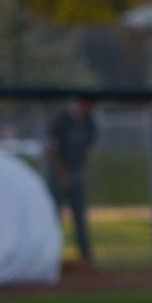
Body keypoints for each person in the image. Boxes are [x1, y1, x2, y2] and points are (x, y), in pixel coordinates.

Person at [45, 96, 98, 264]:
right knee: (55, 217)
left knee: (80, 217)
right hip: (58, 176)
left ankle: (86, 257)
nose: (90, 110)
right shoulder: (61, 121)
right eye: (87, 105)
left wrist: (79, 170)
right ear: (81, 104)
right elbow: (51, 152)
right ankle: (51, 255)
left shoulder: (90, 123)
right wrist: (63, 174)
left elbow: (88, 151)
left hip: (76, 176)